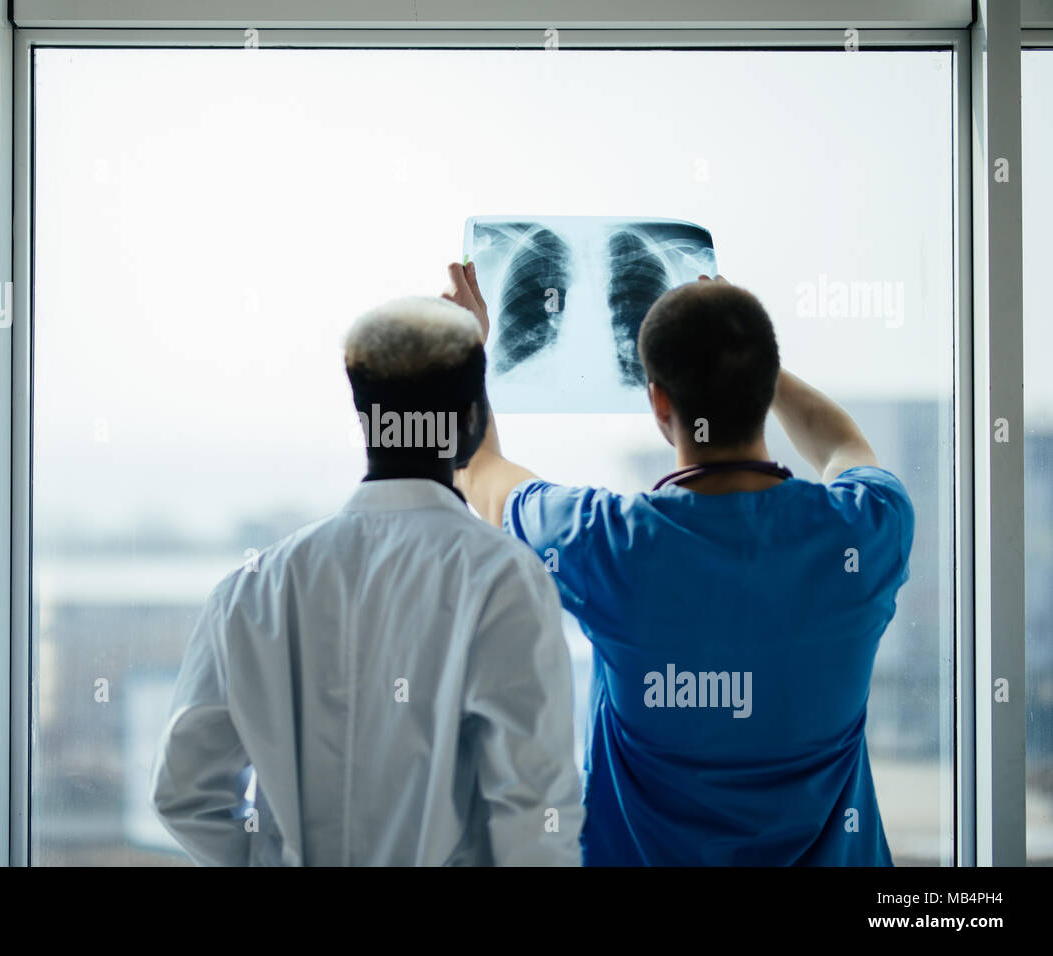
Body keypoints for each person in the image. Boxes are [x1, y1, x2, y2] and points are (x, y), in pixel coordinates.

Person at [442, 263, 913, 866]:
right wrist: (753, 369)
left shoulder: (602, 541)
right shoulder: (863, 530)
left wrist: (467, 351)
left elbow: (477, 473)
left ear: (659, 402)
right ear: (764, 388)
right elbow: (844, 447)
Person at [151, 295, 582, 866]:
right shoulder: (502, 579)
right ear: (474, 422)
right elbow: (534, 813)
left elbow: (185, 795)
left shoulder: (251, 590)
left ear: (366, 421)